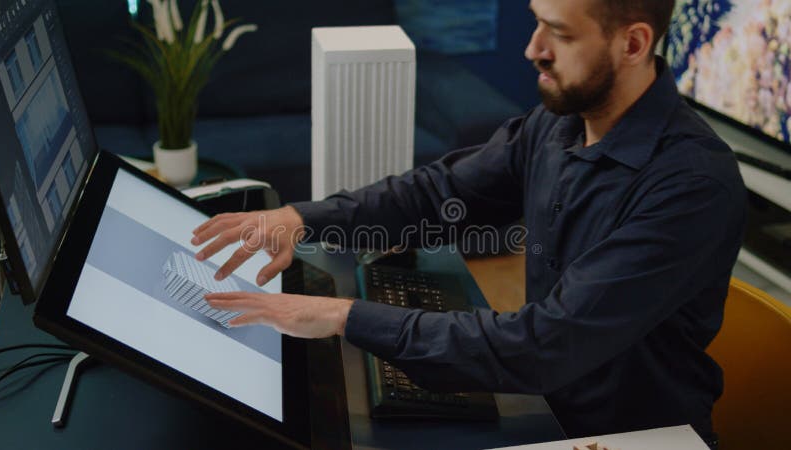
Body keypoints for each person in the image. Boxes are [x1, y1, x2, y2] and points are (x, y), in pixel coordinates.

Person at [192, 0, 745, 447]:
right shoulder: (557, 125)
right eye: (535, 22)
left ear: (633, 44)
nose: (533, 49)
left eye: (560, 34)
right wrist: (300, 219)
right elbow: (439, 194)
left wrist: (341, 315)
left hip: (630, 436)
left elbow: (544, 344)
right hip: (546, 403)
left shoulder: (692, 188)